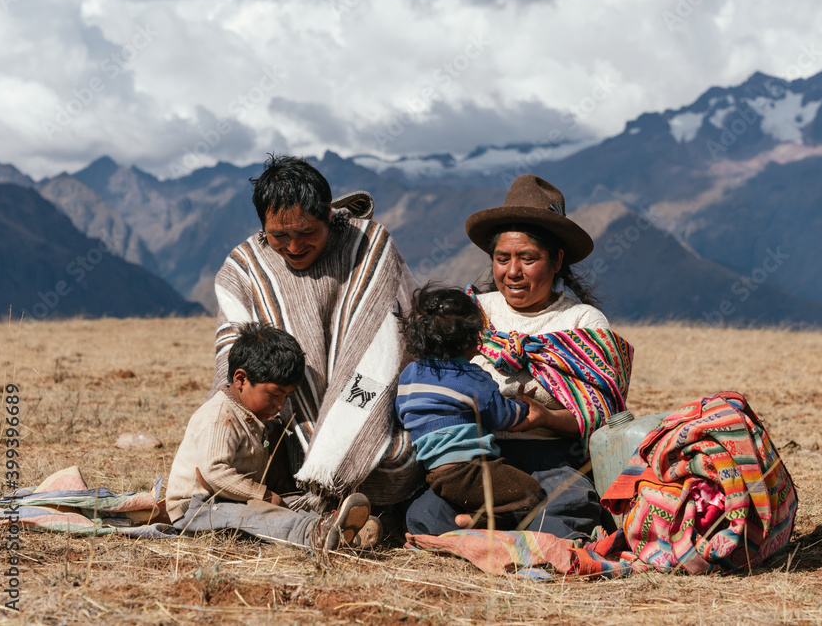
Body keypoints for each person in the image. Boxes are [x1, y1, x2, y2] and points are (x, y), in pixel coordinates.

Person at [405, 174, 632, 540]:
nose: (512, 272)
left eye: (528, 258)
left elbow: (601, 412)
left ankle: (483, 533)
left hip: (551, 455)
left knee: (569, 504)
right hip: (477, 458)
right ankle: (506, 533)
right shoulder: (472, 313)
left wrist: (547, 417)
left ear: (557, 260)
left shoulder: (583, 323)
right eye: (502, 258)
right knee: (424, 516)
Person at [212, 155, 422, 523]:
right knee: (245, 463)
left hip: (372, 414)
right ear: (263, 226)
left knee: (395, 458)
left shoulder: (368, 246)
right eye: (279, 236)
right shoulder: (245, 268)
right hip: (285, 421)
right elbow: (234, 362)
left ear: (329, 215)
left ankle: (333, 501)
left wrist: (339, 439)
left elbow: (384, 345)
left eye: (307, 233)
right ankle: (338, 514)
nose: (294, 247)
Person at [168, 322, 374, 549]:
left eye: (286, 396)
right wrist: (263, 495)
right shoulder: (219, 416)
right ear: (241, 379)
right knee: (260, 515)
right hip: (198, 508)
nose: (280, 405)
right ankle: (315, 535)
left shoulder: (251, 417)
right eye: (275, 395)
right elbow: (214, 473)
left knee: (293, 504)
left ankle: (341, 529)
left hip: (234, 500)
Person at [395, 285, 552, 529]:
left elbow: (403, 412)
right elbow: (502, 418)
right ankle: (479, 521)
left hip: (434, 474)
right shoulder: (473, 378)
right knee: (531, 493)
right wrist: (523, 406)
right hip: (469, 471)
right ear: (472, 340)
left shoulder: (409, 375)